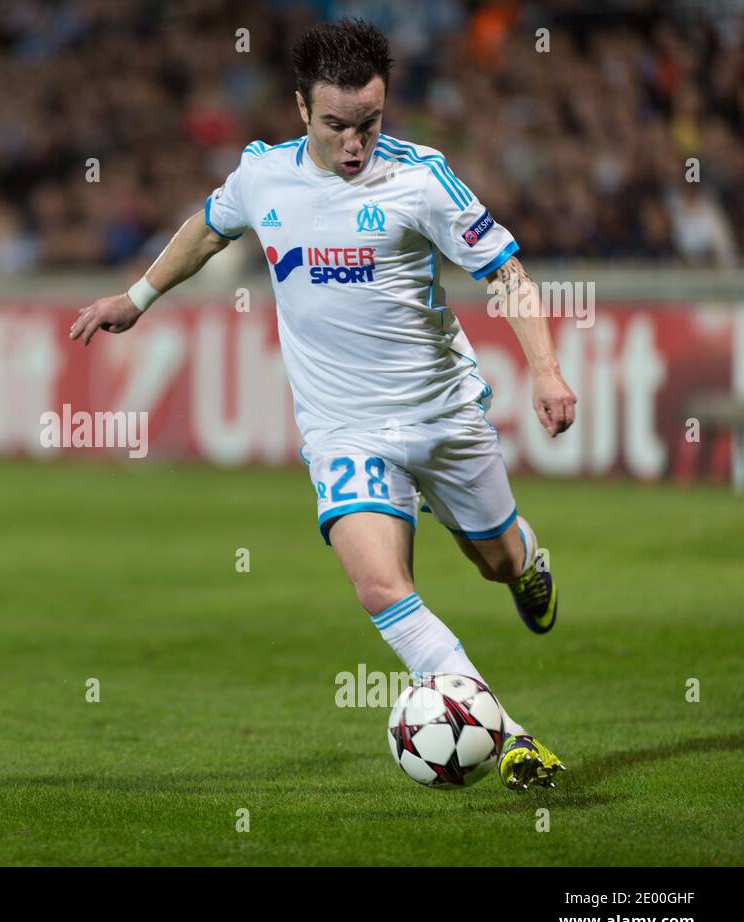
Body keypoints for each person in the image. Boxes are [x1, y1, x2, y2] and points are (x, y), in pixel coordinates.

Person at [69, 18, 577, 790]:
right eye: (336, 125)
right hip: (344, 429)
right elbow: (208, 232)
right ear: (302, 109)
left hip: (442, 416)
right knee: (380, 586)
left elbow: (506, 273)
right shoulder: (263, 176)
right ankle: (507, 734)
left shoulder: (422, 179)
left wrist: (545, 369)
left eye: (369, 124)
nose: (353, 144)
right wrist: (136, 298)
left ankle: (527, 563)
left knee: (495, 561)